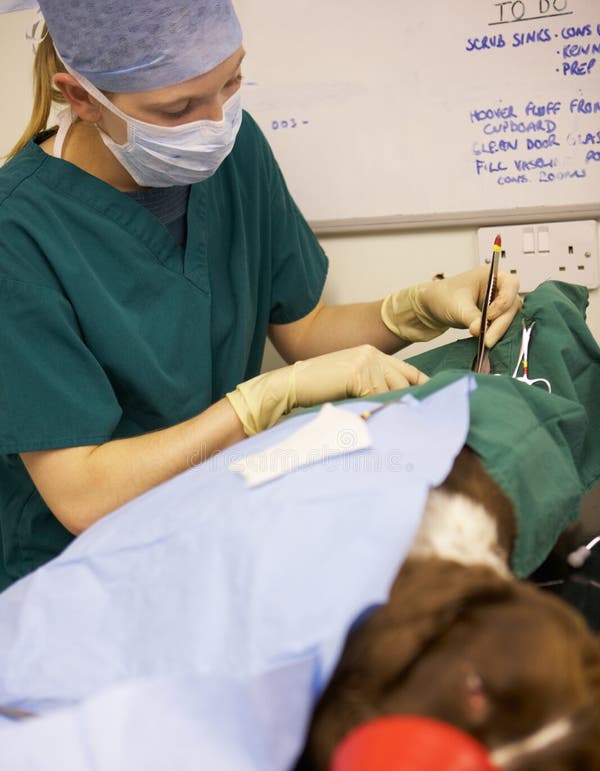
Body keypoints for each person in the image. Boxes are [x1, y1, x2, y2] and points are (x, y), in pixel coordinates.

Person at [0, 0, 521, 589]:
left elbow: (305, 330)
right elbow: (84, 495)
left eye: (232, 82)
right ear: (82, 98)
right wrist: (262, 400)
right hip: (78, 575)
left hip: (216, 523)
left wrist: (417, 309)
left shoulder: (234, 149)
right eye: (178, 109)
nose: (214, 123)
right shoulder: (17, 234)